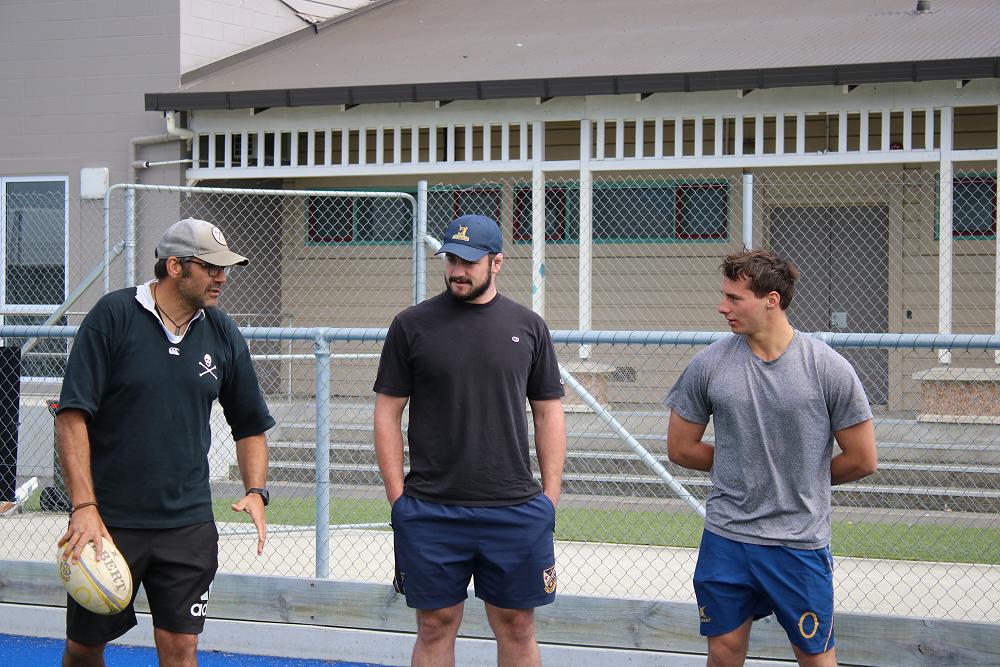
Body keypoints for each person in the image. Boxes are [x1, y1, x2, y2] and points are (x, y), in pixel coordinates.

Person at [56, 217, 275, 667]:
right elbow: (72, 416)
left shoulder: (222, 332)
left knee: (181, 648)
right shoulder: (113, 317)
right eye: (210, 267)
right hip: (108, 522)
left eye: (224, 268)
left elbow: (250, 425)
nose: (222, 277)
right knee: (84, 649)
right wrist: (84, 506)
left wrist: (256, 490)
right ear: (175, 266)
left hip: (187, 525)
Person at [664, 249, 878, 667]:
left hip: (798, 543)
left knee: (816, 658)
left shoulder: (827, 368)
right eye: (724, 296)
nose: (722, 307)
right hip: (727, 538)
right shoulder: (708, 365)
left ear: (771, 300)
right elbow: (681, 448)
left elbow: (863, 458)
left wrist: (801, 475)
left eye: (734, 298)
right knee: (723, 653)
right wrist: (744, 466)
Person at [373, 214, 567, 667]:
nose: (458, 270)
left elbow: (548, 413)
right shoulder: (411, 325)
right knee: (435, 624)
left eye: (470, 262)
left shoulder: (529, 326)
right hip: (431, 509)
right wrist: (398, 499)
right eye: (451, 260)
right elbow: (387, 413)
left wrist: (550, 498)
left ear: (496, 262)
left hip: (515, 509)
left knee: (517, 625)